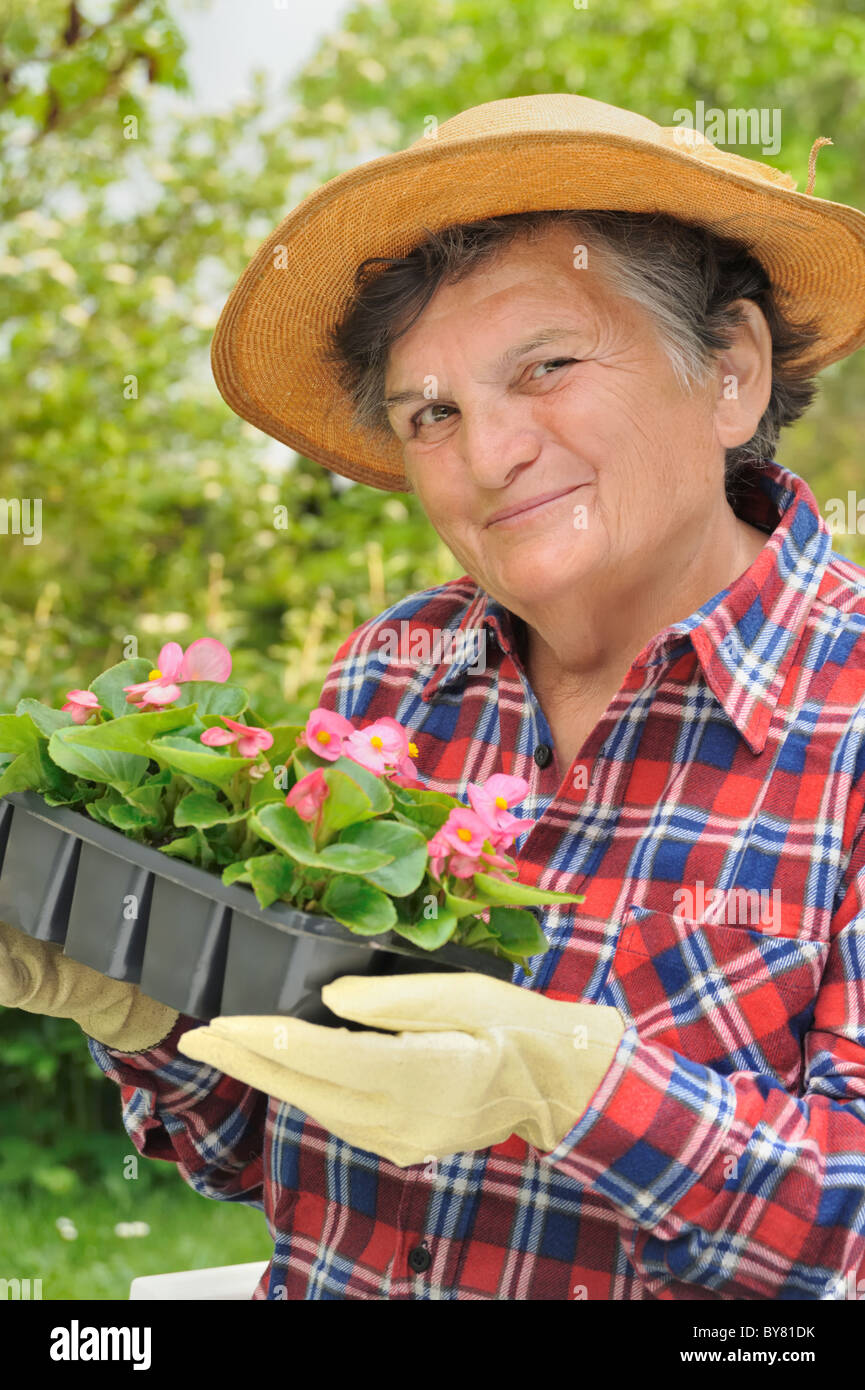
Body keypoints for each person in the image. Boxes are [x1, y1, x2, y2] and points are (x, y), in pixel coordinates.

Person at [4, 93, 865, 1301]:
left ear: (728, 371)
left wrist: (573, 1086)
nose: (487, 451)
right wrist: (144, 1012)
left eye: (549, 366)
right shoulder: (392, 671)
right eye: (432, 412)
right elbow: (269, 1151)